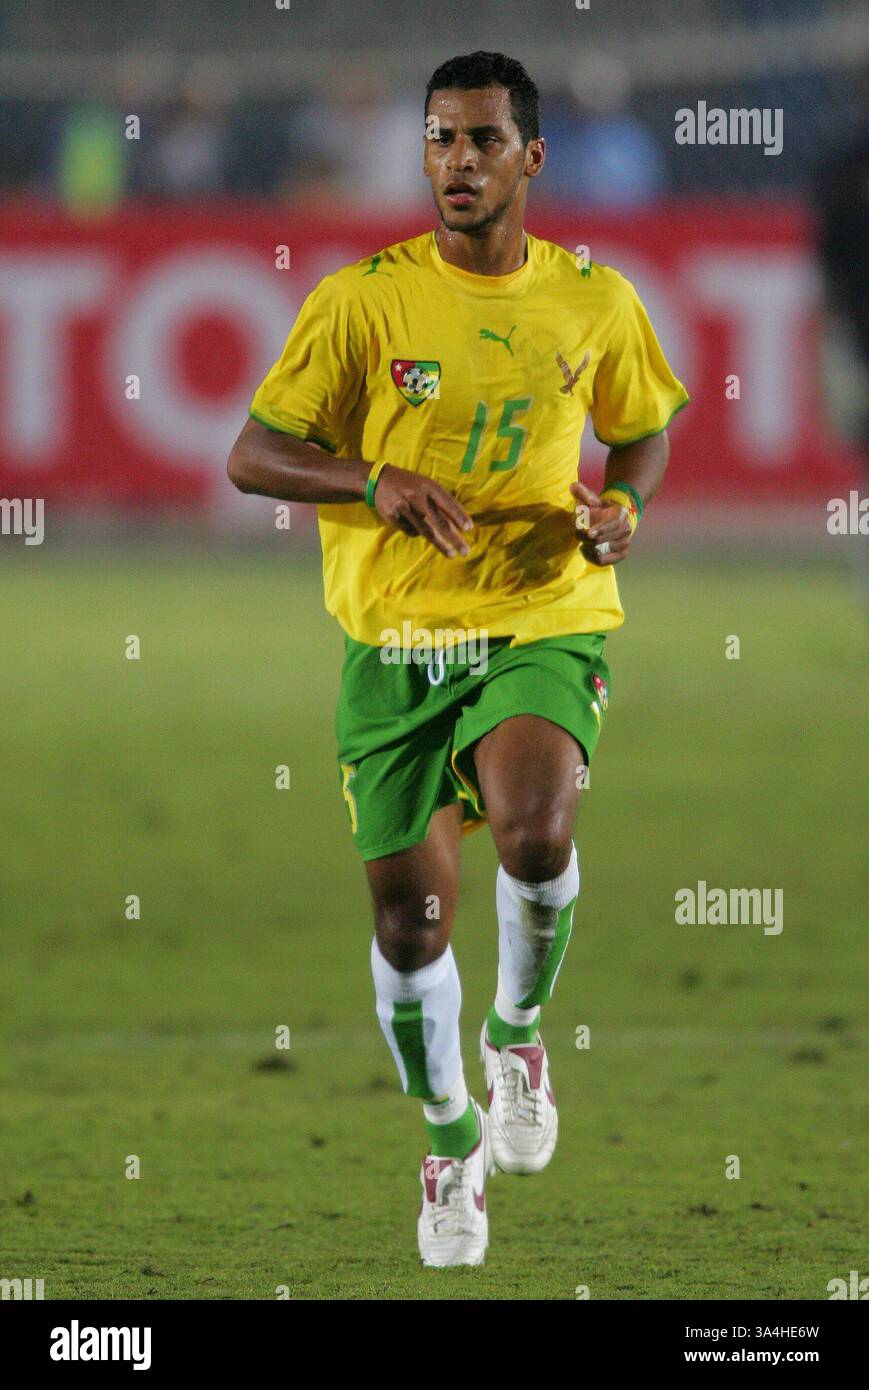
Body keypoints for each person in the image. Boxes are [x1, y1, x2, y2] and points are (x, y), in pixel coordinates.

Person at [227, 50, 689, 1268]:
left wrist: (624, 510)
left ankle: (519, 1030)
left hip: (541, 609)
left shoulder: (593, 300)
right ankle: (448, 1140)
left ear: (531, 158)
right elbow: (252, 454)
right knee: (409, 926)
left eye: (482, 141)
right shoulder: (362, 302)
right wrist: (373, 479)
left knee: (538, 833)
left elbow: (638, 433)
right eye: (439, 139)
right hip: (394, 642)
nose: (456, 163)